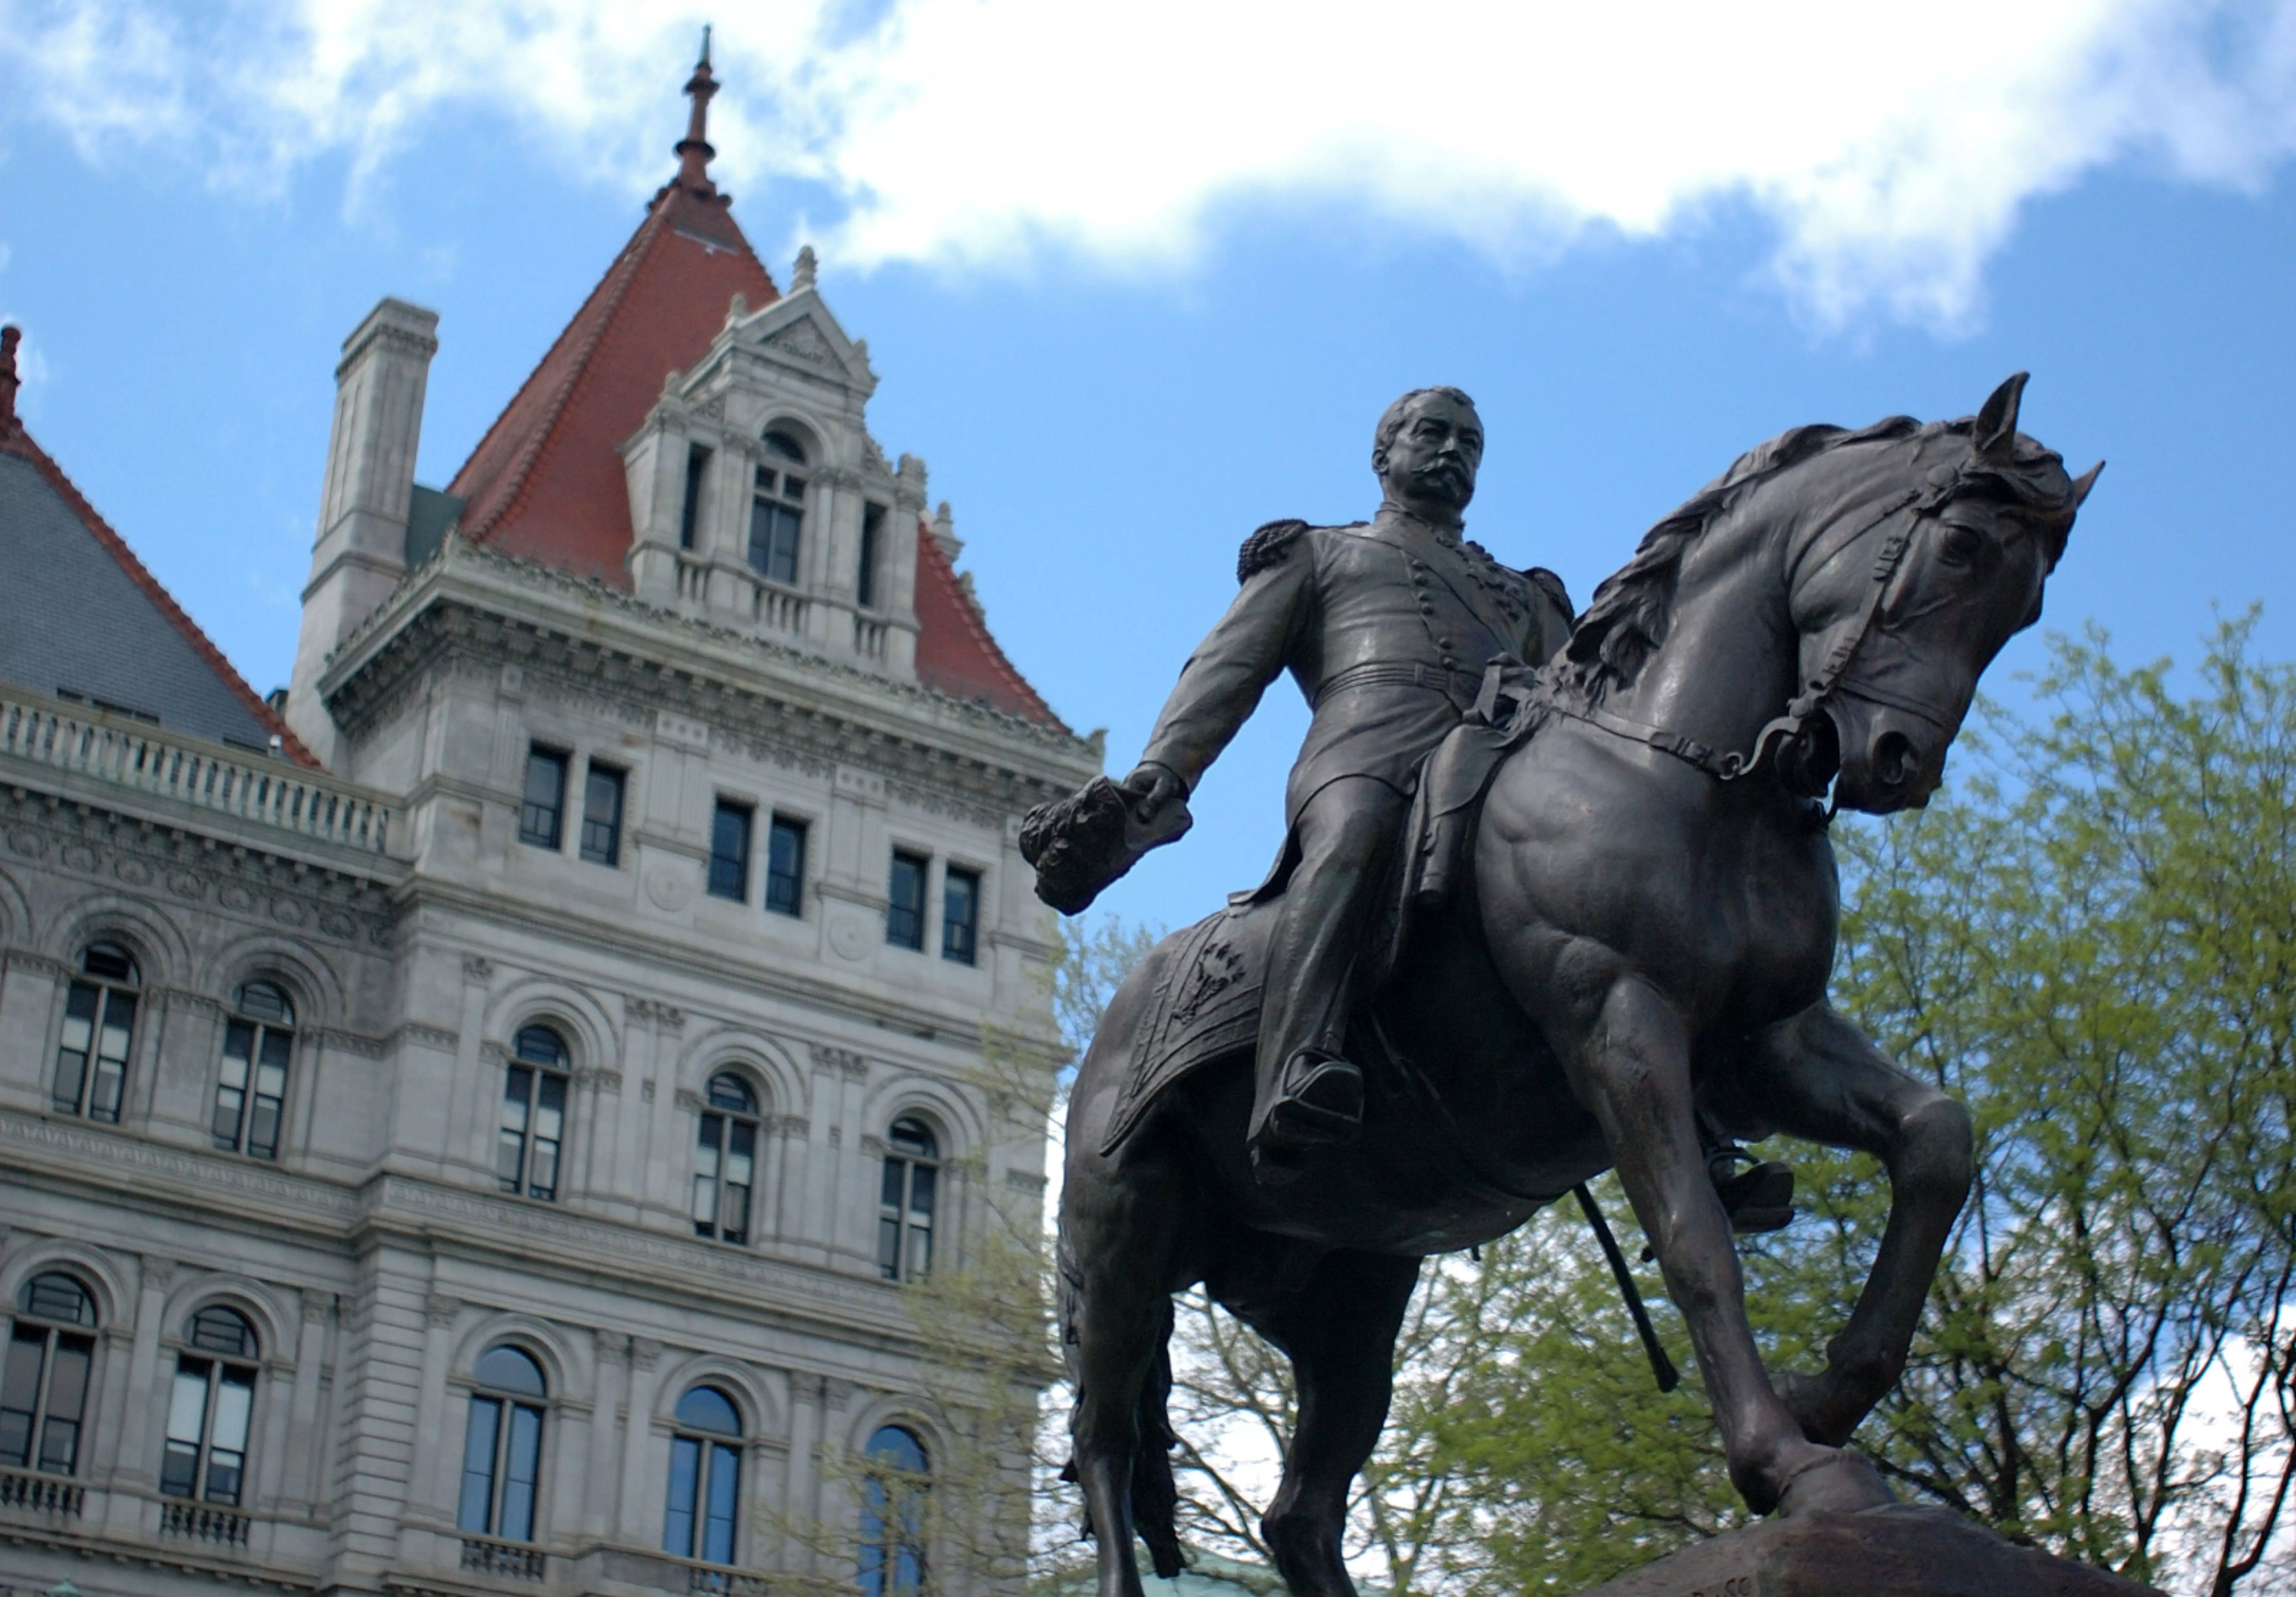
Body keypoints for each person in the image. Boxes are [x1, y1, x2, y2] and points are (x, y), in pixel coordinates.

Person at [1121, 387, 1573, 1183]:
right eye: (1432, 433)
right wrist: (1165, 771)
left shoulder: (1527, 594)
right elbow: (1225, 672)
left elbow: (1583, 698)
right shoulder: (1323, 554)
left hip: (1502, 756)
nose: (1452, 451)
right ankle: (1296, 1064)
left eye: (1470, 442)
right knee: (1354, 840)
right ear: (1383, 456)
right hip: (1370, 747)